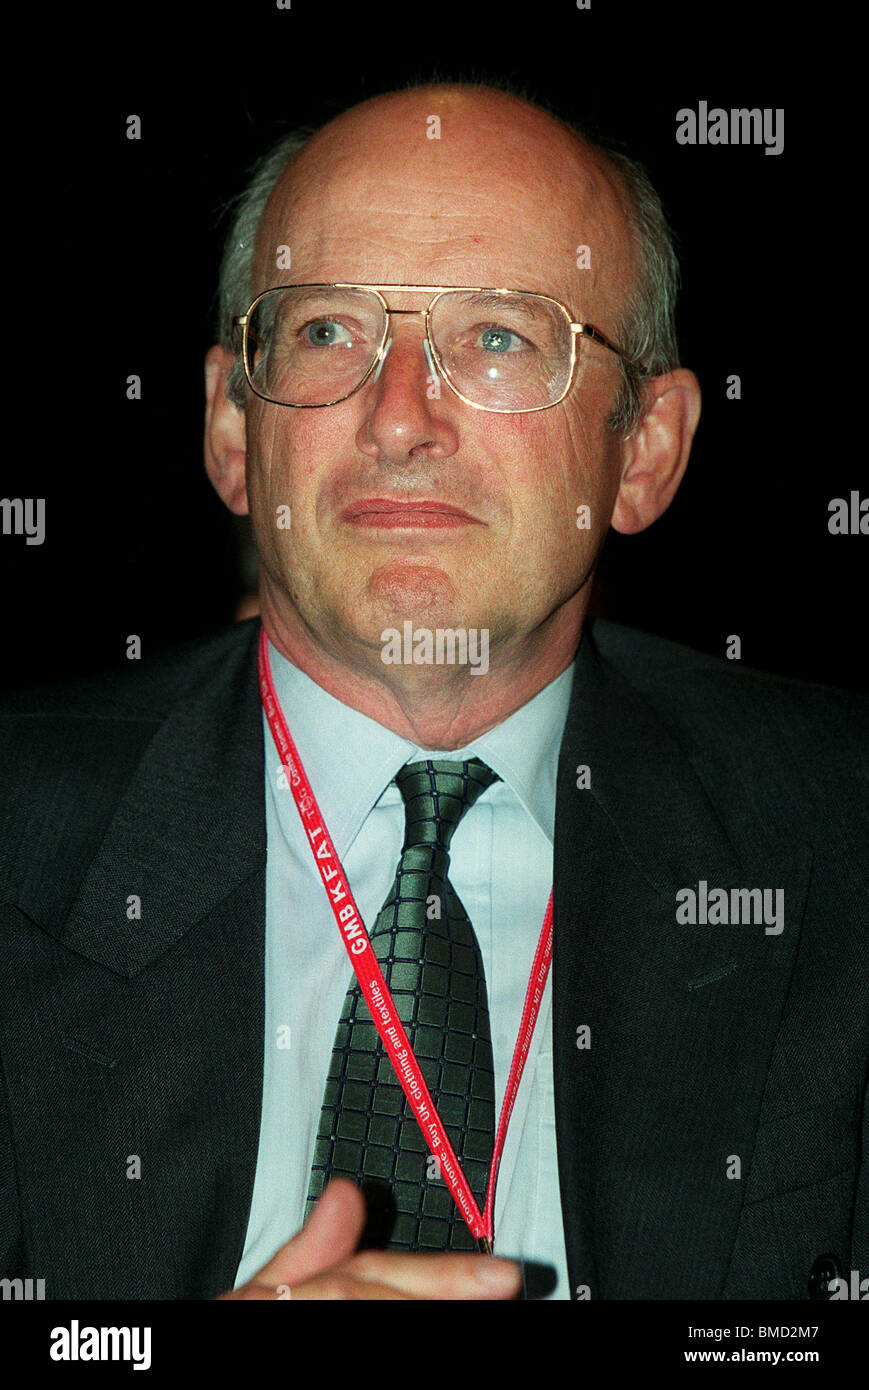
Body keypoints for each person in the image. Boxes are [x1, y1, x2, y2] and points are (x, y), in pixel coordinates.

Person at [1, 82, 866, 1303]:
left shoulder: (838, 832)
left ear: (645, 450)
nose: (399, 418)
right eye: (326, 331)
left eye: (499, 337)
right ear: (232, 432)